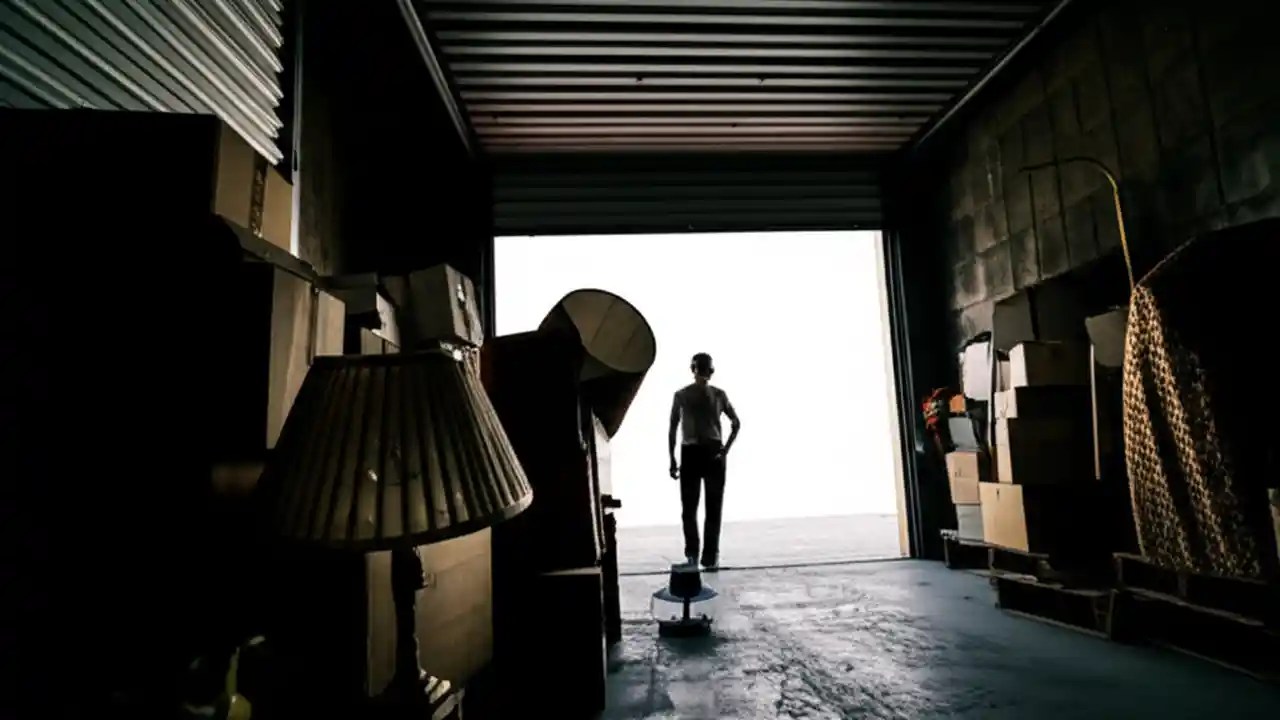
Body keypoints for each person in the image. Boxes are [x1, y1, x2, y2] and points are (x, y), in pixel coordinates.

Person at [668, 352, 741, 571]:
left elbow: (672, 429)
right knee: (702, 508)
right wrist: (724, 450)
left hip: (699, 451)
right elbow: (736, 424)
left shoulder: (687, 395)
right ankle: (703, 557)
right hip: (704, 452)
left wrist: (672, 458)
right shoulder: (707, 395)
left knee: (699, 508)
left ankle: (700, 556)